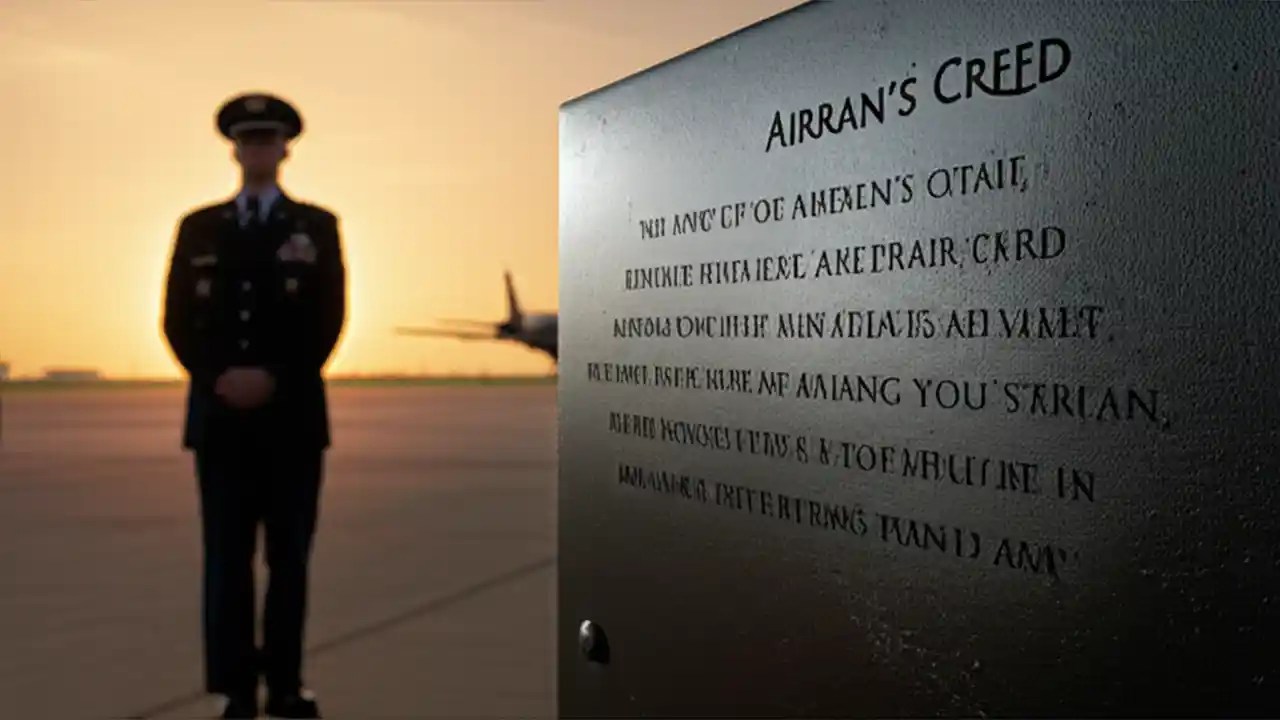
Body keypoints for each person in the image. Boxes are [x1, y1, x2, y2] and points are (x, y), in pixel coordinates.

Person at [162, 91, 346, 719]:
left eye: (268, 139)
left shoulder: (316, 227)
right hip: (220, 422)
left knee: (289, 560)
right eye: (249, 140)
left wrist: (273, 379)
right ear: (234, 150)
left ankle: (286, 686)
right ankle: (236, 690)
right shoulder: (199, 228)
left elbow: (328, 319)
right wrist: (219, 379)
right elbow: (175, 320)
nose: (258, 149)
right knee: (226, 561)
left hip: (292, 421)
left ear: (285, 149)